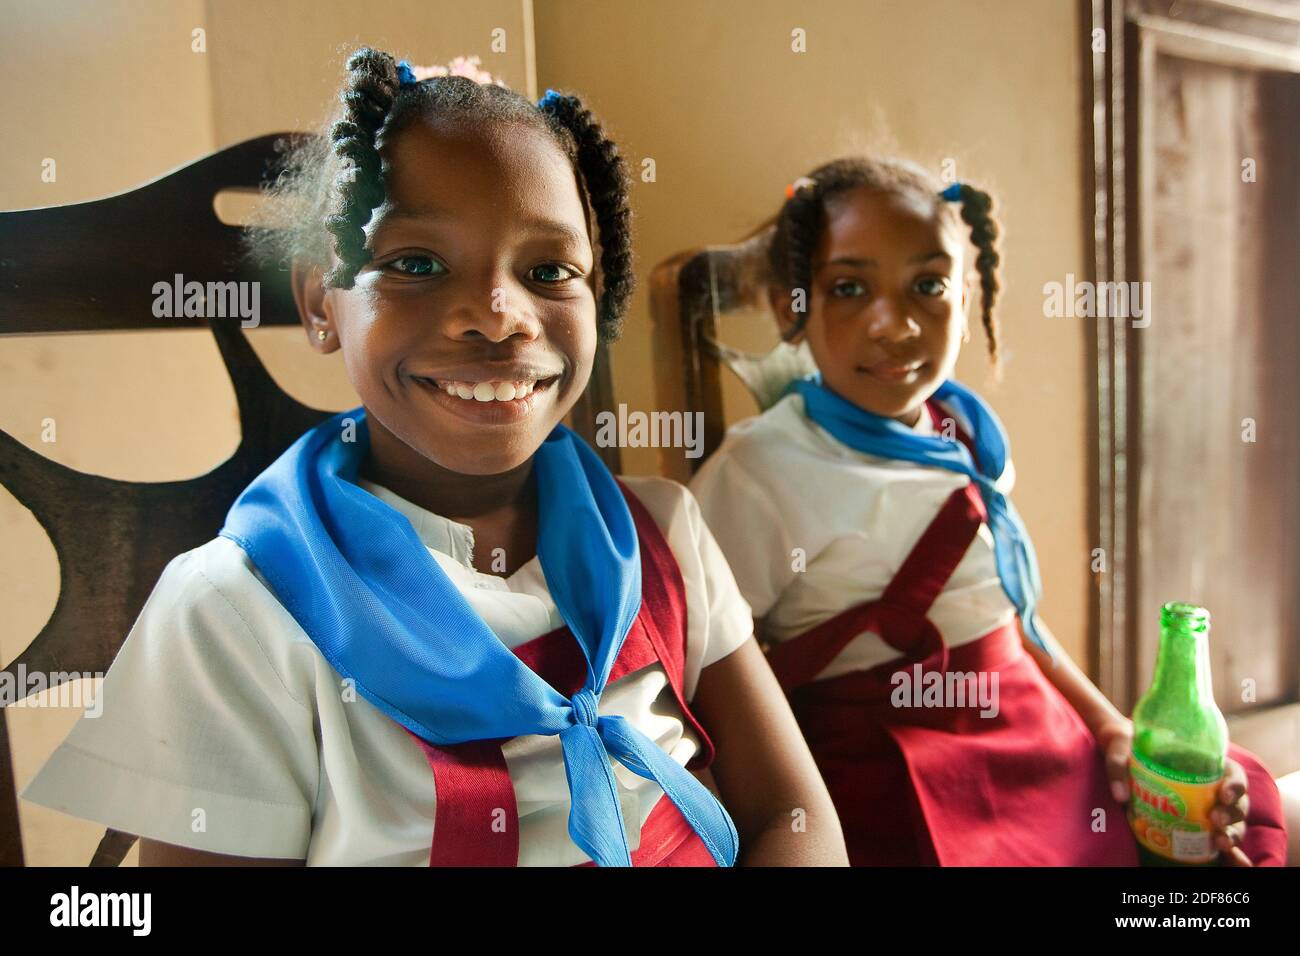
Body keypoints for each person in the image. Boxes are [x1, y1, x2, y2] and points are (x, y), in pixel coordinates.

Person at [21, 49, 845, 867]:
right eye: (415, 263)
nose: (497, 315)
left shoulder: (663, 532)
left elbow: (791, 813)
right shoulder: (238, 610)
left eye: (549, 269)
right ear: (320, 303)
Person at [690, 156, 1288, 866]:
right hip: (891, 756)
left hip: (1025, 720)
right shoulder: (760, 469)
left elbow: (1007, 621)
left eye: (928, 285)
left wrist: (1109, 727)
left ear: (967, 303)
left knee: (1230, 804)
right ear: (798, 307)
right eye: (849, 288)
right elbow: (707, 678)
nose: (892, 323)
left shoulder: (967, 434)